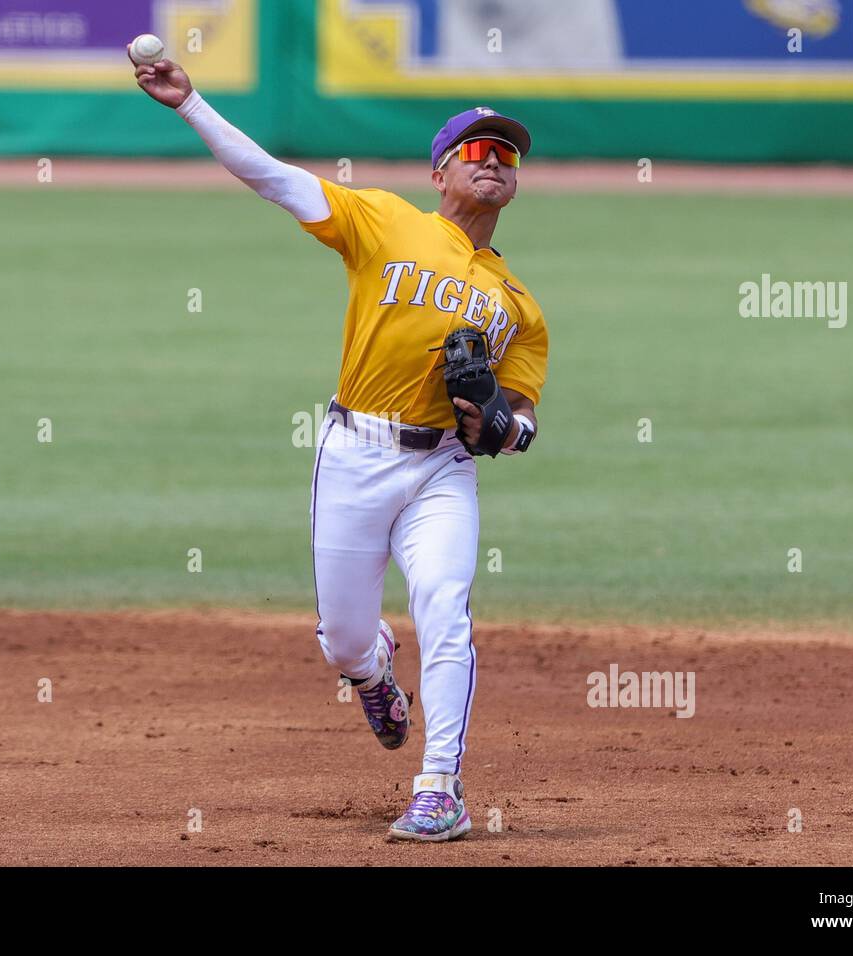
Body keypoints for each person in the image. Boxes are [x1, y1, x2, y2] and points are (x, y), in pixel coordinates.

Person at [133, 53, 548, 842]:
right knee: (342, 639)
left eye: (506, 155)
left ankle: (439, 788)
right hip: (354, 452)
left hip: (441, 472)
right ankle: (370, 670)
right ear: (440, 171)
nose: (492, 162)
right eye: (476, 151)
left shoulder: (519, 306)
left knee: (447, 610)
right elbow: (269, 175)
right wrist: (190, 104)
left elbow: (522, 417)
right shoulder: (384, 221)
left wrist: (500, 429)